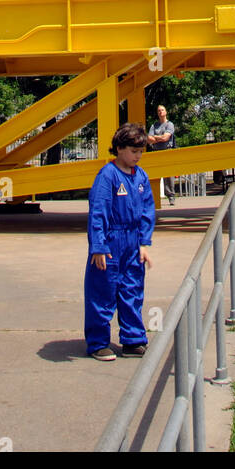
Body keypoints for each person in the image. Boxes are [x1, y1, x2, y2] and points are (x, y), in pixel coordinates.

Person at [84, 123, 155, 362]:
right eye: (134, 151)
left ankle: (133, 340)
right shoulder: (107, 176)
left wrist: (144, 243)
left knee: (132, 290)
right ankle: (98, 343)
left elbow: (147, 210)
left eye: (141, 151)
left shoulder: (141, 176)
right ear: (120, 148)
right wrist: (99, 247)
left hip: (133, 242)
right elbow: (98, 212)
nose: (138, 156)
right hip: (111, 241)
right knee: (103, 291)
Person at [147, 103, 176, 205]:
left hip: (167, 152)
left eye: (162, 110)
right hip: (156, 152)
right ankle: (154, 198)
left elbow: (166, 138)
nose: (160, 112)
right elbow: (149, 139)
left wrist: (156, 137)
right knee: (155, 175)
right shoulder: (154, 125)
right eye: (159, 110)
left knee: (168, 176)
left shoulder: (170, 124)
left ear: (166, 112)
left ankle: (171, 196)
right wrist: (160, 137)